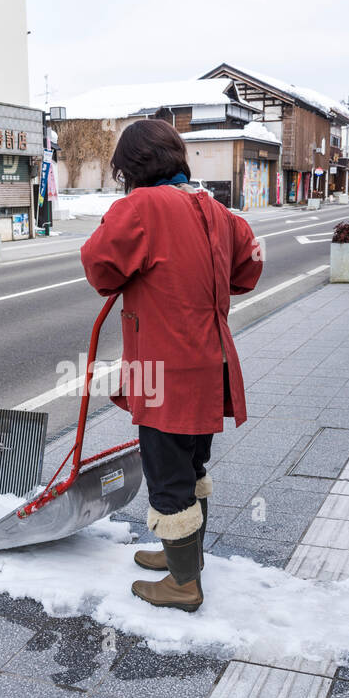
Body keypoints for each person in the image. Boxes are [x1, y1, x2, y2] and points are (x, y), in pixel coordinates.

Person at [80, 119, 264, 613]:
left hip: (163, 369)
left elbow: (100, 267)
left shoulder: (139, 207)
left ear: (132, 167)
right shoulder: (217, 209)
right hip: (211, 363)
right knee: (192, 465)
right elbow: (248, 269)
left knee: (165, 474)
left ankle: (184, 585)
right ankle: (185, 558)